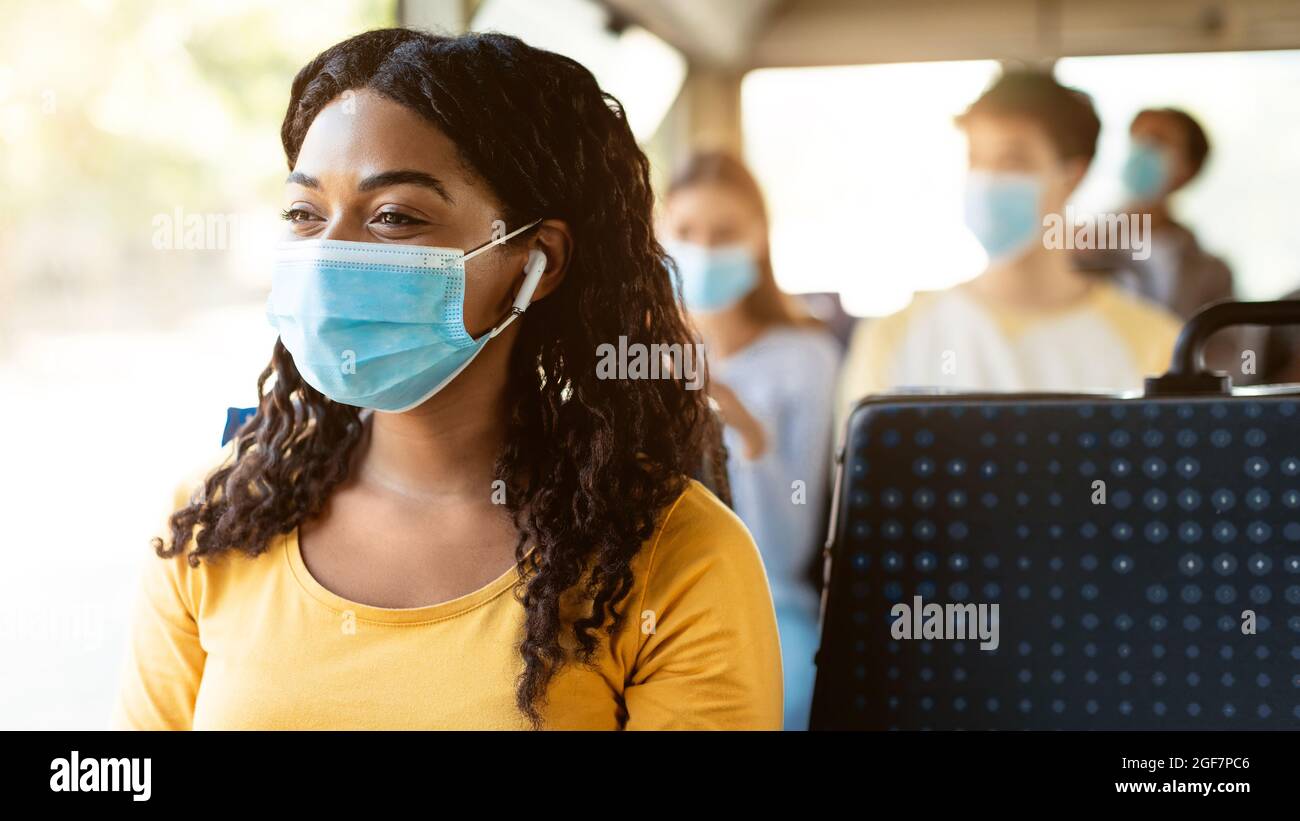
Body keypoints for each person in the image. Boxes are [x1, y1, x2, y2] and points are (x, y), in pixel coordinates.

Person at [111, 29, 782, 730]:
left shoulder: (680, 559)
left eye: (394, 217)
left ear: (537, 262)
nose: (329, 256)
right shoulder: (209, 523)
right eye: (305, 214)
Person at [838, 71, 1182, 419]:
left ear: (1072, 176)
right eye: (975, 159)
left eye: (1011, 161)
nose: (986, 181)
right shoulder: (893, 338)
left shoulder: (1154, 344)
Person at [661, 152, 841, 731]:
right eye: (687, 232)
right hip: (653, 595)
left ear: (760, 239)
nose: (704, 251)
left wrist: (740, 422)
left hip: (769, 601)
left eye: (725, 233)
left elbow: (788, 547)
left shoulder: (807, 358)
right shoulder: (629, 356)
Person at [1079, 107, 1234, 321]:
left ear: (1188, 168)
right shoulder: (1081, 247)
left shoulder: (1213, 273)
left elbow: (1222, 347)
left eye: (1156, 141)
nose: (1141, 149)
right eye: (1135, 139)